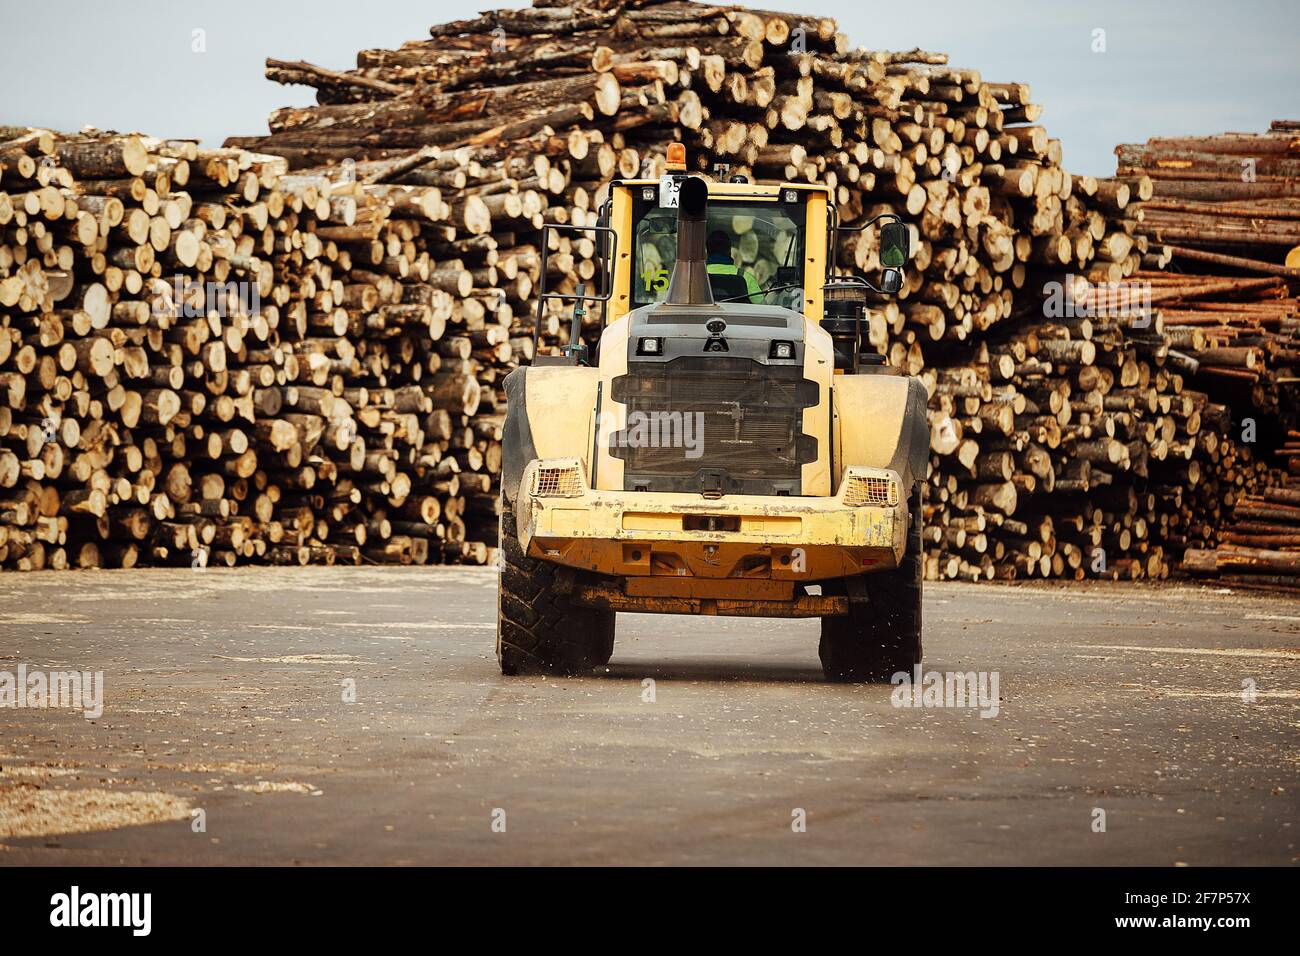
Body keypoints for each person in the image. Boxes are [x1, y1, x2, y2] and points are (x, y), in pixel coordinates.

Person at [705, 230, 763, 303]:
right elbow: (764, 307)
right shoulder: (745, 277)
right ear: (729, 251)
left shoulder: (698, 277)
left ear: (707, 252)